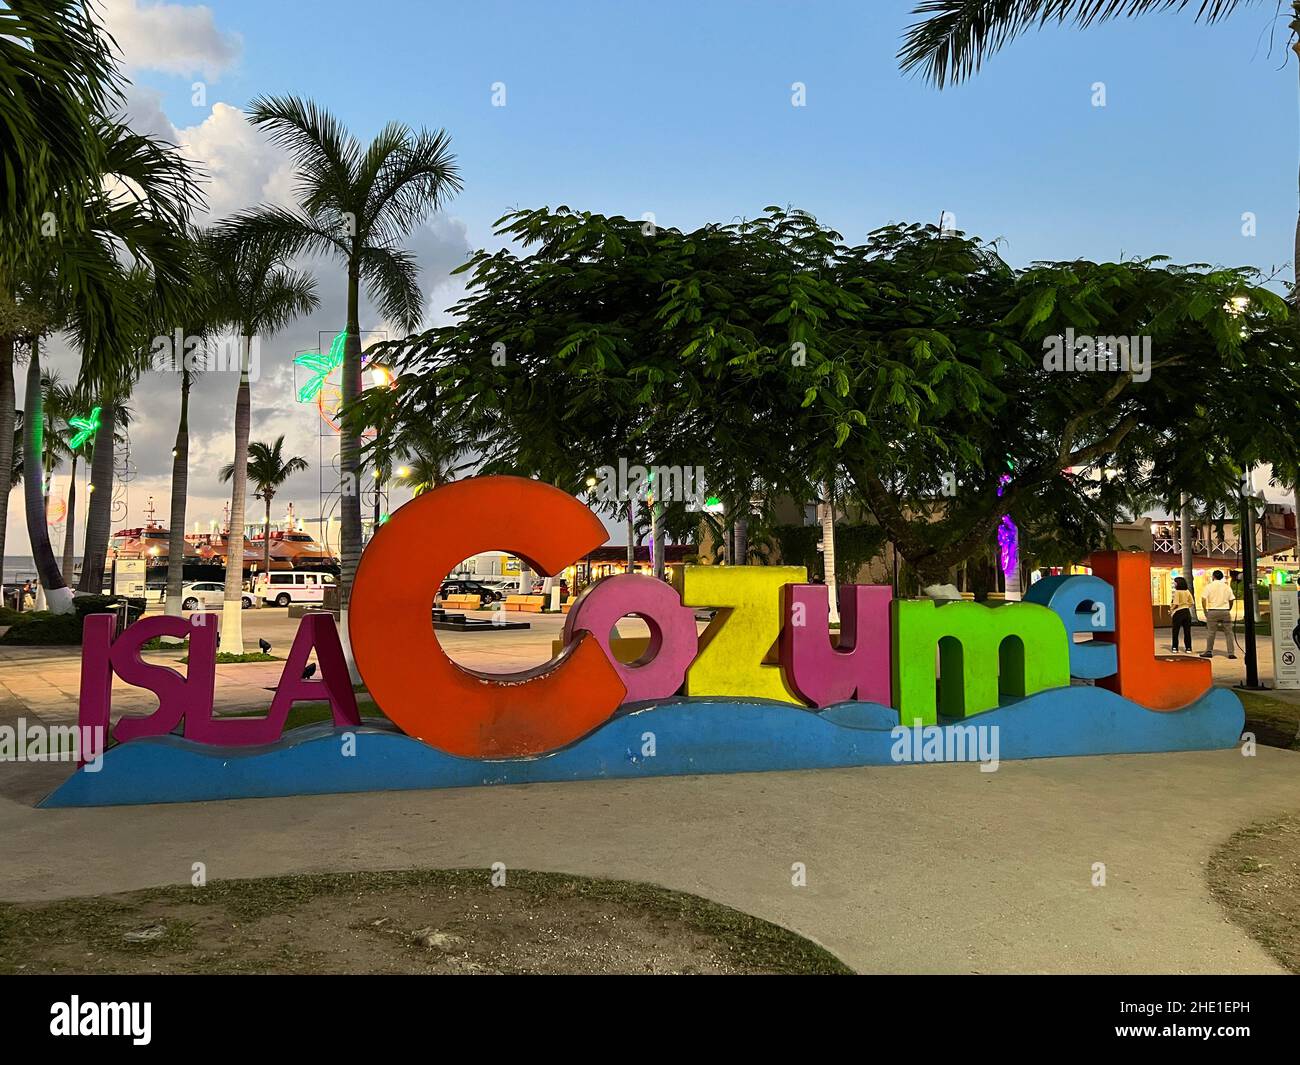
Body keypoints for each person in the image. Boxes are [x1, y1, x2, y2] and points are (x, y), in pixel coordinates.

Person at [1200, 569, 1237, 660]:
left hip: (1213, 611)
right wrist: (1229, 608)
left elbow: (1204, 599)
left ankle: (1209, 651)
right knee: (1229, 633)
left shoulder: (1209, 586)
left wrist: (1205, 610)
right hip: (1225, 611)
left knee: (1211, 632)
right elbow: (1231, 599)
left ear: (1213, 577)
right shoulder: (1226, 587)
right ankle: (1231, 653)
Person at [1170, 575, 1194, 653]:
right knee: (1187, 631)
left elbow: (1175, 603)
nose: (1174, 584)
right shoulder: (1187, 591)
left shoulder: (1177, 592)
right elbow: (1191, 602)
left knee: (1175, 631)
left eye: (1175, 582)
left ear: (1178, 583)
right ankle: (1188, 648)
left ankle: (1175, 647)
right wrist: (1186, 606)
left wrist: (1171, 610)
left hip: (1178, 612)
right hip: (1186, 612)